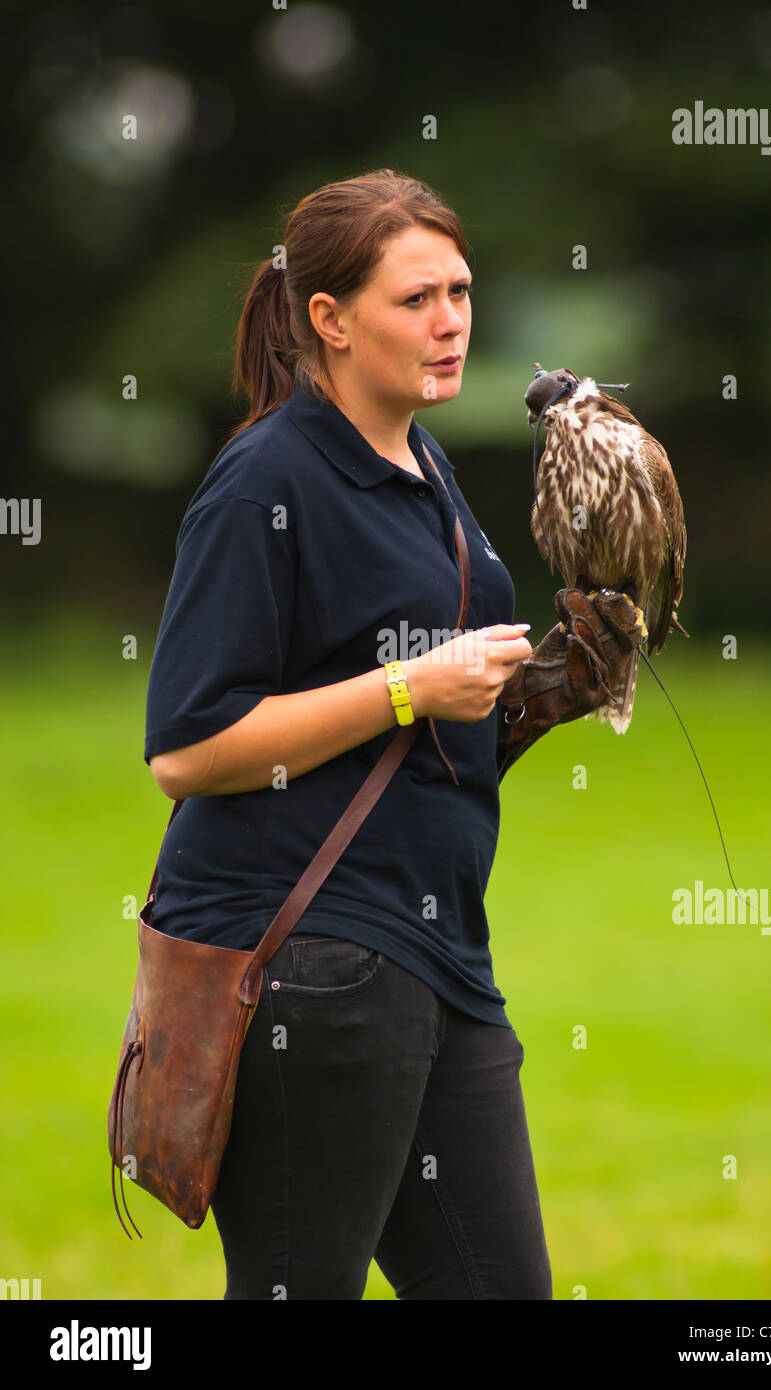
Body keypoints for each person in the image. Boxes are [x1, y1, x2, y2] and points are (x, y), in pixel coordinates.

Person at [143, 168, 628, 1300]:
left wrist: (545, 690)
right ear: (328, 317)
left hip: (439, 951)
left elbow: (427, 737)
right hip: (309, 960)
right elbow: (188, 746)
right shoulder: (267, 480)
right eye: (414, 299)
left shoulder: (423, 465)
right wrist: (411, 685)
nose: (450, 320)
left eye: (459, 290)